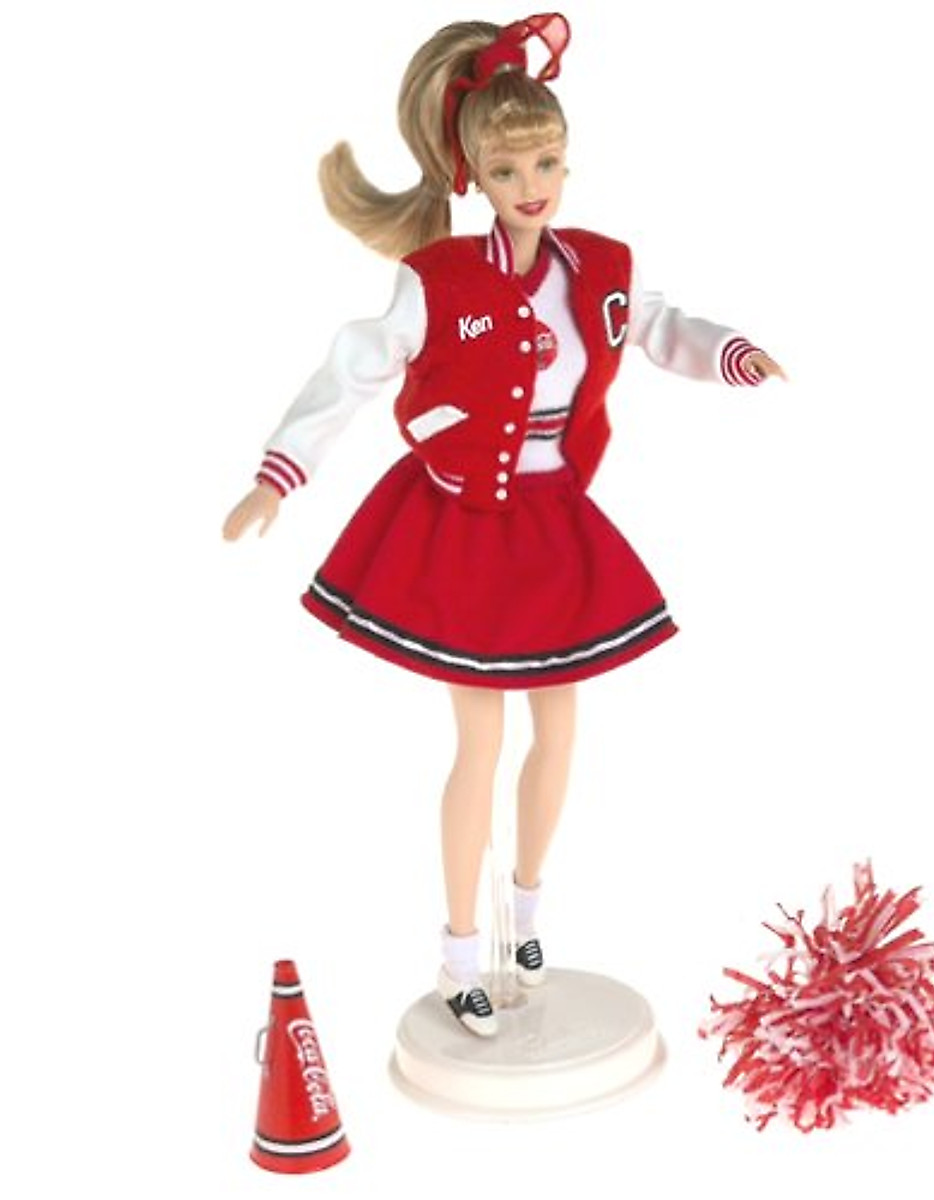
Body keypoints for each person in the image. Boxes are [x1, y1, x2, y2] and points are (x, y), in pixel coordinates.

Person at [223, 13, 784, 1037]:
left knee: (560, 728)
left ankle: (527, 917)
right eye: (509, 167)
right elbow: (352, 369)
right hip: (462, 524)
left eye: (548, 162)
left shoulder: (599, 267)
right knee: (478, 739)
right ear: (473, 174)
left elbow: (658, 326)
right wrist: (279, 476)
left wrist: (731, 353)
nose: (533, 184)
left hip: (553, 523)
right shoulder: (439, 280)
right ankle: (456, 956)